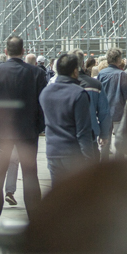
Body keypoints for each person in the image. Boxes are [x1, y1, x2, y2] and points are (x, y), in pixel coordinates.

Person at [0, 36, 48, 219]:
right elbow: (43, 103)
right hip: (27, 131)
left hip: (1, 132)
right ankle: (34, 219)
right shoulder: (36, 73)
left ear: (5, 51)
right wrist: (38, 127)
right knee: (30, 175)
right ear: (23, 51)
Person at [39, 54, 97, 185]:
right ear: (75, 71)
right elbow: (83, 131)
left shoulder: (46, 92)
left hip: (53, 151)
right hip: (73, 153)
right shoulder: (78, 94)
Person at [73, 49, 112, 157]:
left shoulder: (59, 85)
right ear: (82, 64)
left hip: (66, 137)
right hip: (90, 134)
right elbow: (104, 112)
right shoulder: (95, 84)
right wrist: (104, 134)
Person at [97, 48, 127, 157]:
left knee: (105, 141)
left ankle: (104, 164)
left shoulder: (101, 73)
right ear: (118, 59)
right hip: (118, 110)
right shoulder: (122, 74)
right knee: (120, 142)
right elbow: (126, 94)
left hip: (104, 112)